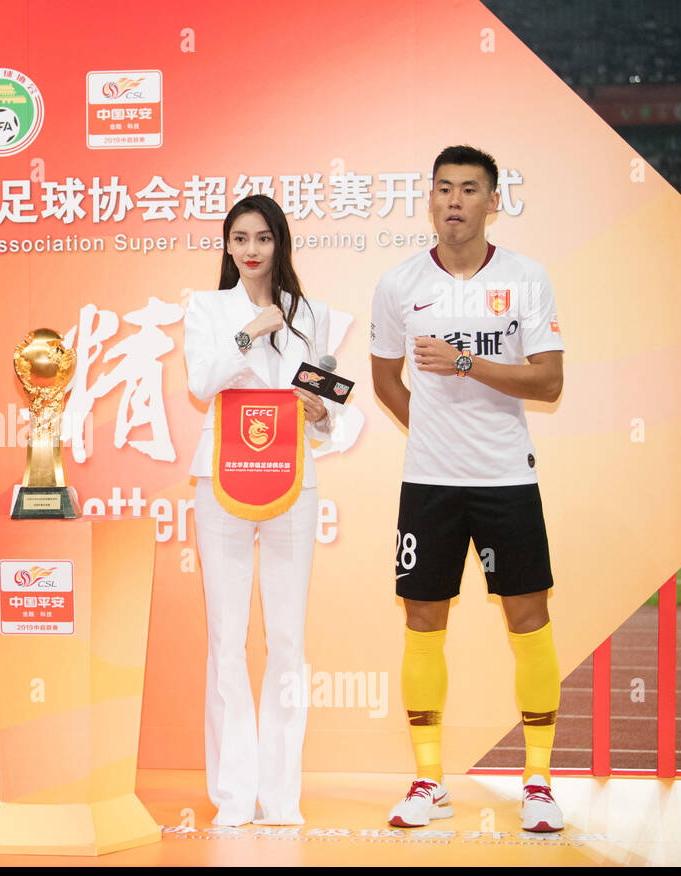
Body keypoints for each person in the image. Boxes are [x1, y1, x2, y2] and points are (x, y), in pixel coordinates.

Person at [371, 145, 565, 832]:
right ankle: (429, 780)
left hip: (506, 476)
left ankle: (538, 783)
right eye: (444, 188)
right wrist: (431, 433)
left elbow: (548, 381)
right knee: (423, 622)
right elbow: (385, 377)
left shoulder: (526, 277)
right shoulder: (398, 283)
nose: (455, 201)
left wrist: (464, 364)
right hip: (428, 481)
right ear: (430, 199)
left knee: (528, 619)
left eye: (470, 189)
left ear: (493, 202)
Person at [184, 194, 337, 827]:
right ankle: (233, 794)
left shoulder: (310, 313)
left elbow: (324, 405)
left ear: (280, 244)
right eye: (240, 238)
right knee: (226, 637)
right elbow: (201, 384)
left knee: (287, 638)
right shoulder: (207, 308)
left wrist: (322, 413)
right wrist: (251, 330)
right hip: (222, 480)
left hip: (292, 482)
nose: (251, 250)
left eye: (263, 238)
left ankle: (279, 796)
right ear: (227, 245)